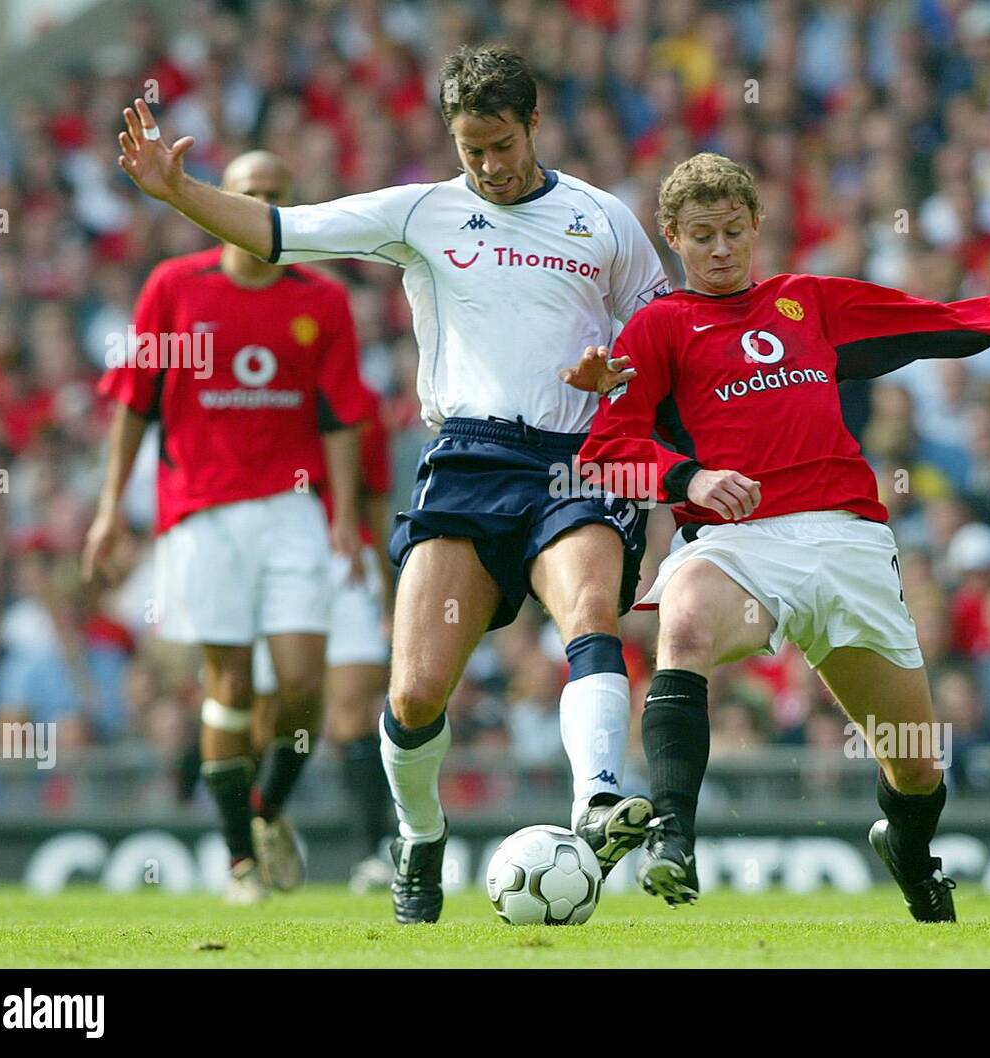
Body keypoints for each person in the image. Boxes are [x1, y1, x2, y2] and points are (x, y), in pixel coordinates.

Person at [113, 45, 671, 923]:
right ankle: (419, 835)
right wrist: (179, 193)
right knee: (412, 694)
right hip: (470, 461)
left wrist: (622, 375)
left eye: (501, 145)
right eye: (470, 149)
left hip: (578, 458)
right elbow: (281, 229)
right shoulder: (421, 212)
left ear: (534, 123)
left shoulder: (603, 221)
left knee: (591, 611)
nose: (487, 166)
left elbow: (659, 337)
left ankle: (597, 802)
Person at [573, 152, 990, 920]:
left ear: (756, 226)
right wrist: (689, 480)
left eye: (731, 232)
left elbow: (938, 322)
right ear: (672, 237)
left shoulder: (807, 301)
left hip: (846, 544)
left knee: (916, 766)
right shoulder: (657, 330)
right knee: (681, 623)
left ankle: (911, 855)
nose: (719, 250)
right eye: (701, 235)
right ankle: (673, 835)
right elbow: (603, 459)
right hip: (737, 542)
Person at [83, 150, 376, 905]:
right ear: (224, 200)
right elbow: (134, 403)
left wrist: (345, 515)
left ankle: (265, 809)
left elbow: (343, 415)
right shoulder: (174, 289)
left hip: (294, 509)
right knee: (232, 687)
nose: (261, 205)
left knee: (305, 686)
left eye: (275, 195)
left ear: (288, 205)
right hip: (202, 513)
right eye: (249, 193)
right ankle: (241, 861)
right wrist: (112, 507)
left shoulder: (323, 299)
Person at [252, 414, 395, 892]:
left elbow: (376, 498)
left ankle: (370, 853)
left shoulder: (365, 409)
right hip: (279, 564)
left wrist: (390, 592)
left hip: (349, 564)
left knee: (354, 709)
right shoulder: (269, 393)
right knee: (279, 713)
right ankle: (264, 822)